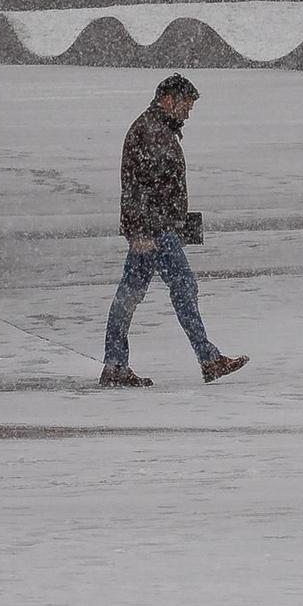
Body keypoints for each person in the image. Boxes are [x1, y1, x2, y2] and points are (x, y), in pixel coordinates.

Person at [100, 74, 249, 388]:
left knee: (130, 296)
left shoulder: (157, 130)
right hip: (154, 231)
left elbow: (159, 188)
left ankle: (115, 365)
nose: (188, 113)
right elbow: (136, 188)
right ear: (168, 100)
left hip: (157, 228)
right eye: (186, 105)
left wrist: (178, 224)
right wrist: (140, 232)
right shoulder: (148, 133)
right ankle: (207, 358)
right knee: (181, 289)